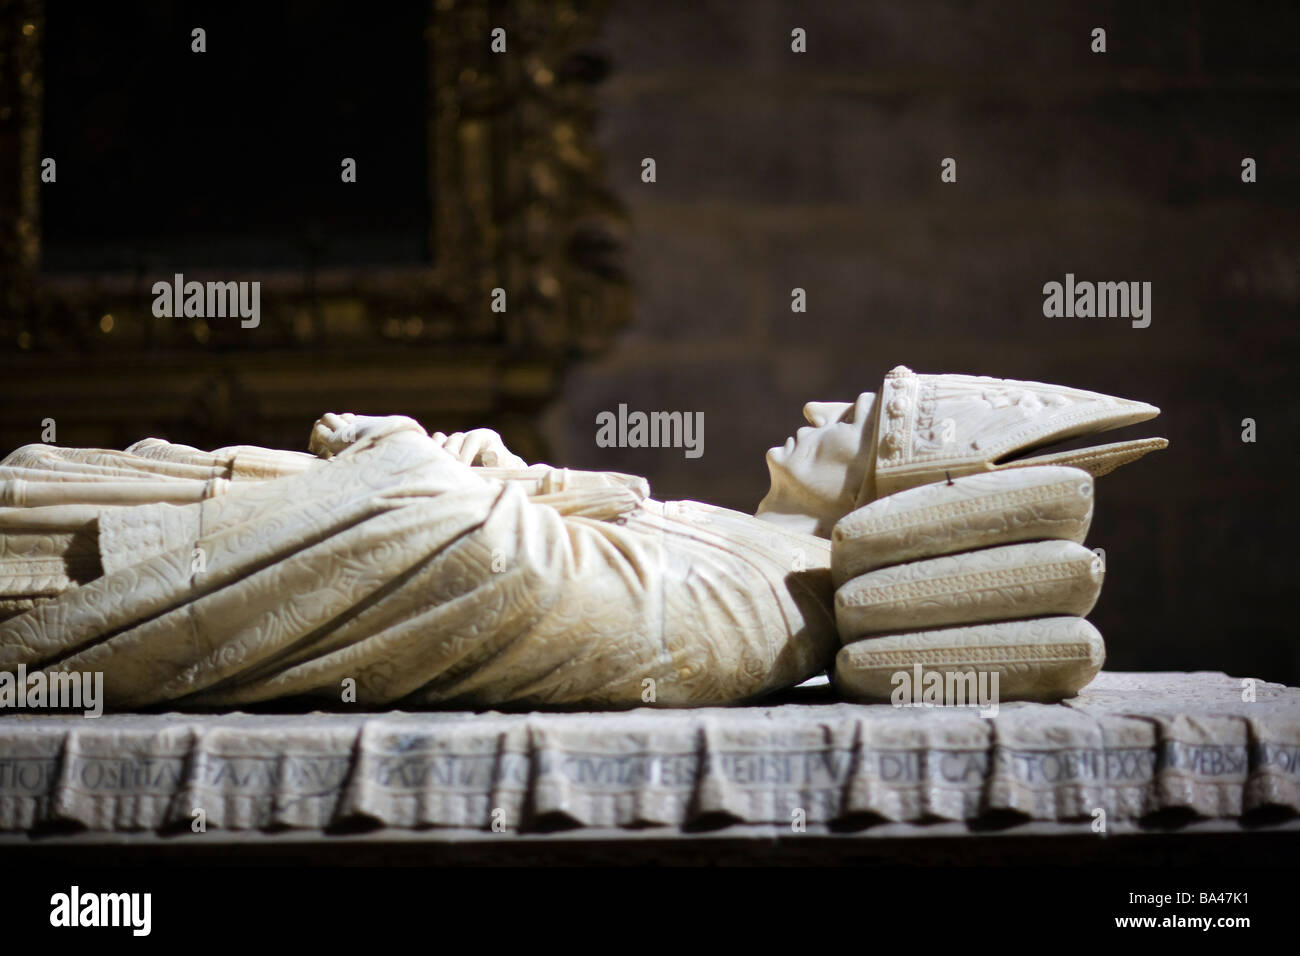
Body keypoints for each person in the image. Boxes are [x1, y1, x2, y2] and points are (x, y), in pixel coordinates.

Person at [0, 366, 1164, 710]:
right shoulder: (739, 546)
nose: (812, 409)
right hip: (232, 516)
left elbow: (491, 570)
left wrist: (411, 451)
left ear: (903, 473)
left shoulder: (760, 603)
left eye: (852, 417)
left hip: (178, 560)